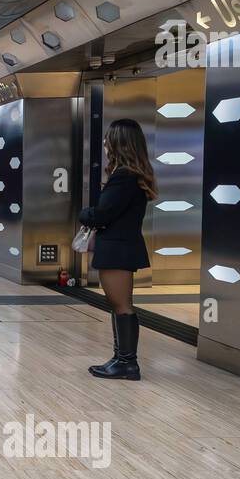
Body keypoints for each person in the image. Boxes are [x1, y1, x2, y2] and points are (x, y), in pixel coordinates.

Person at [77, 118, 157, 381]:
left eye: (108, 138)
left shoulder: (123, 177)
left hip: (117, 250)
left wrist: (84, 214)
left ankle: (127, 362)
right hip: (122, 247)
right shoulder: (133, 176)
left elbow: (103, 214)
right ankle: (120, 358)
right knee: (119, 304)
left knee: (122, 305)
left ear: (119, 143)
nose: (104, 143)